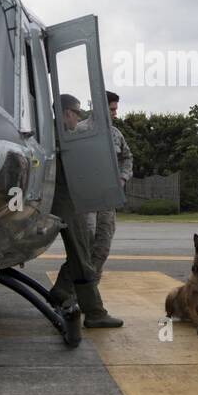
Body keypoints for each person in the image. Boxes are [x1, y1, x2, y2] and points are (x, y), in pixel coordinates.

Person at [49, 93, 122, 328]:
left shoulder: (51, 133)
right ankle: (94, 312)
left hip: (64, 200)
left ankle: (62, 293)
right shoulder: (63, 137)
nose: (77, 119)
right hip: (67, 202)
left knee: (83, 253)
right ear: (67, 113)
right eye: (76, 114)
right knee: (83, 256)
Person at [87, 91, 133, 279]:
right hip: (86, 200)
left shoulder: (116, 134)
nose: (115, 113)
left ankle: (90, 291)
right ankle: (68, 294)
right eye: (112, 109)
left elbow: (127, 157)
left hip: (107, 200)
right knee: (84, 248)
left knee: (103, 247)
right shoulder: (80, 130)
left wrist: (122, 178)